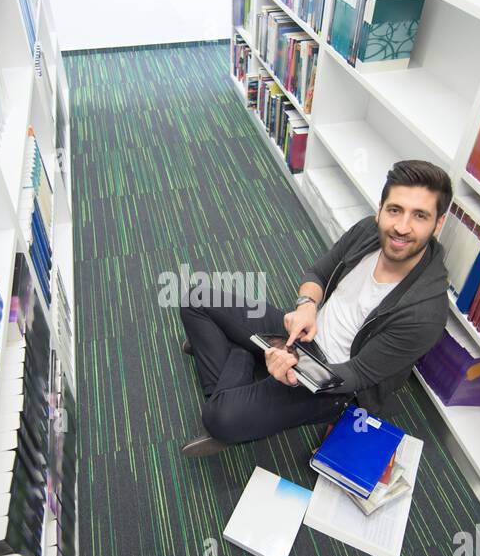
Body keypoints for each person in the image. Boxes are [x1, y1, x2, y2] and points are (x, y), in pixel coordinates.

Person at [177, 159, 451, 457]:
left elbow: (358, 374)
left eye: (420, 216)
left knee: (219, 419)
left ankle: (239, 356)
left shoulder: (426, 312)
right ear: (380, 208)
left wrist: (296, 368)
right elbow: (318, 274)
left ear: (438, 223)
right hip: (304, 333)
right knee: (196, 297)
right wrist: (307, 305)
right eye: (395, 210)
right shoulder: (368, 233)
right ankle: (242, 358)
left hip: (331, 381)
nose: (401, 227)